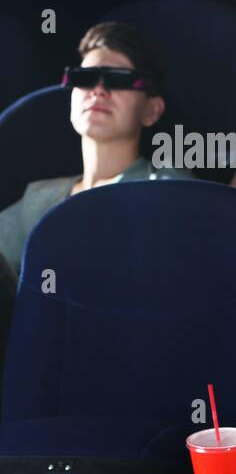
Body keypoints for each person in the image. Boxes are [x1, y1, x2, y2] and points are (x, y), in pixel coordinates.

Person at [0, 22, 191, 280]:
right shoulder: (38, 198)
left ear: (152, 110)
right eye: (85, 78)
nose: (99, 91)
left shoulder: (169, 188)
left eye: (119, 79)